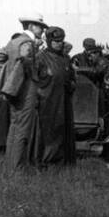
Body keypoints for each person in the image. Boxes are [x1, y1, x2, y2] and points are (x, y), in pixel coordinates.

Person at [0, 13, 47, 170]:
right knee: (23, 130)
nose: (42, 31)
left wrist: (11, 79)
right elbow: (26, 61)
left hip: (14, 91)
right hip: (27, 91)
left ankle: (9, 166)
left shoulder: (14, 42)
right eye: (40, 27)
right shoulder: (28, 43)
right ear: (31, 26)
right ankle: (17, 170)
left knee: (14, 127)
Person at [35, 27, 77, 166]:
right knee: (48, 133)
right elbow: (33, 81)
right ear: (48, 41)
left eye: (61, 41)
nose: (59, 43)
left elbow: (72, 78)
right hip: (46, 103)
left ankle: (62, 163)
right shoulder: (40, 58)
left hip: (64, 102)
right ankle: (45, 163)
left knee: (63, 131)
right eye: (56, 41)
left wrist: (71, 84)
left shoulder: (66, 58)